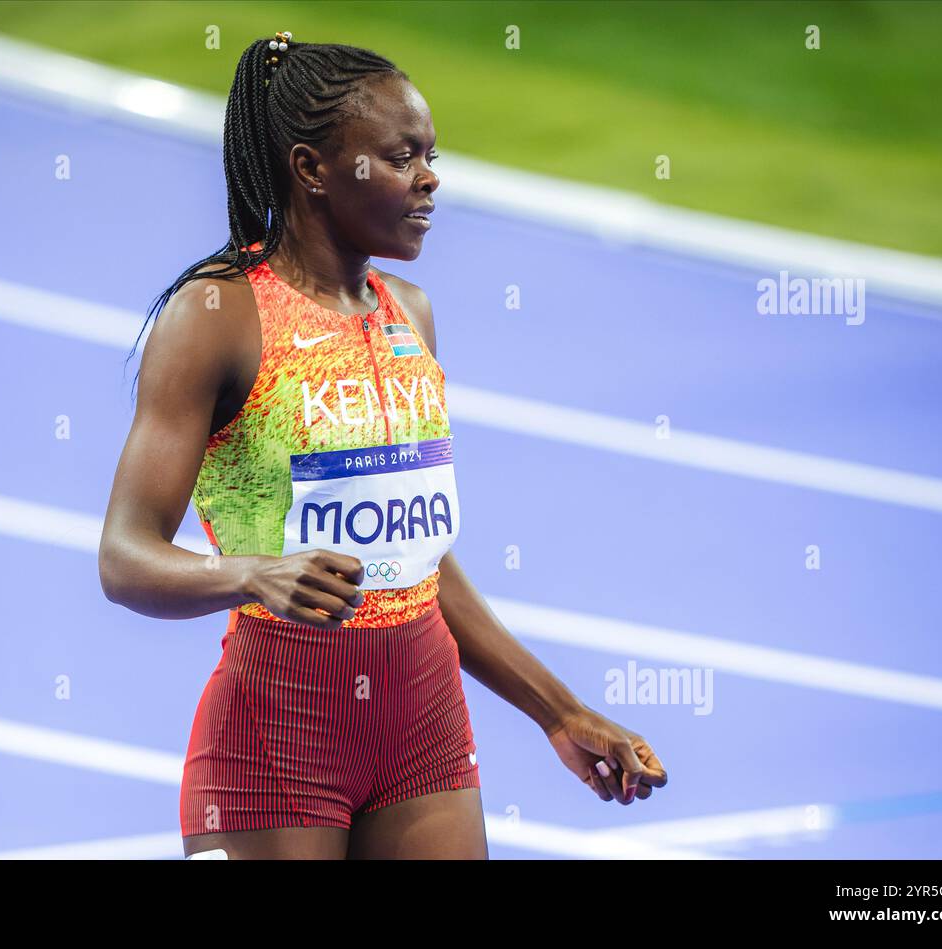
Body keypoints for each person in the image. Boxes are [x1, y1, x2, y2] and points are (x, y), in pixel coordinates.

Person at [99, 31, 667, 860]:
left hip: (424, 732)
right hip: (279, 739)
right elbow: (123, 555)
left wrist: (561, 709)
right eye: (403, 158)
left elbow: (421, 564)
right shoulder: (216, 316)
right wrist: (253, 573)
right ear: (312, 169)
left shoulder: (411, 313)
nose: (431, 180)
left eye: (432, 155)